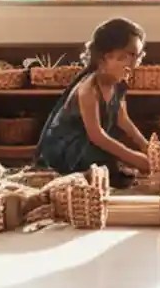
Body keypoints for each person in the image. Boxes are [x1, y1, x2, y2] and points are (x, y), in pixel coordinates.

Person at [36, 18, 152, 189]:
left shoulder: (118, 82)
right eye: (129, 56)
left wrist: (147, 147)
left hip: (92, 143)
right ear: (106, 57)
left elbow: (123, 119)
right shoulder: (88, 89)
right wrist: (134, 157)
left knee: (117, 156)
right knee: (105, 165)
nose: (134, 63)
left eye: (138, 56)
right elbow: (96, 135)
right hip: (72, 148)